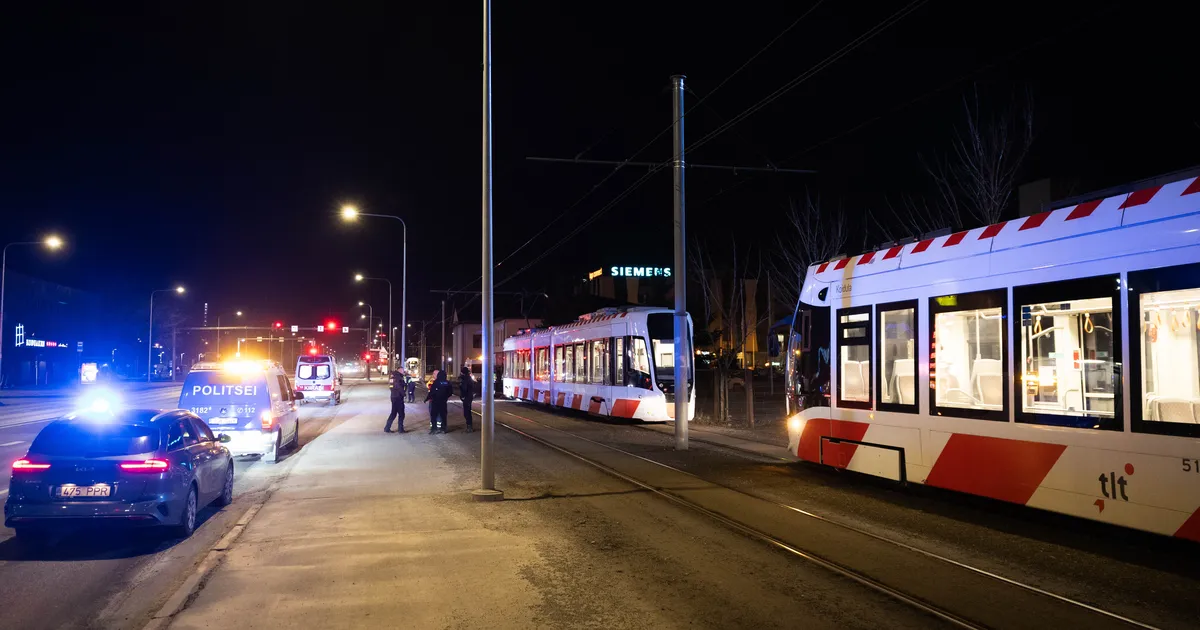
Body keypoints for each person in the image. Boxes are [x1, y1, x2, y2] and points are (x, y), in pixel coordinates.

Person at [424, 369, 453, 434]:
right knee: (443, 416)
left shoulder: (436, 382)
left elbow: (432, 392)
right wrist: (445, 397)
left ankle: (434, 429)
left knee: (434, 415)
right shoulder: (447, 383)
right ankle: (443, 429)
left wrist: (427, 398)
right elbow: (450, 392)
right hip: (443, 402)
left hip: (435, 402)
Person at [459, 365, 475, 433]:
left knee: (466, 412)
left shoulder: (465, 379)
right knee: (468, 411)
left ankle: (469, 426)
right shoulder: (469, 378)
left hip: (466, 397)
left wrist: (463, 396)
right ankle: (469, 426)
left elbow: (464, 388)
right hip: (469, 397)